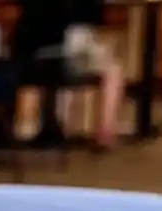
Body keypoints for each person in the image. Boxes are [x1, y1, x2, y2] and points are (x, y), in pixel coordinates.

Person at [14, 0, 125, 149]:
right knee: (113, 70)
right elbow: (96, 15)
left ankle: (52, 125)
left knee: (56, 65)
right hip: (66, 48)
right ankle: (105, 132)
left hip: (30, 52)